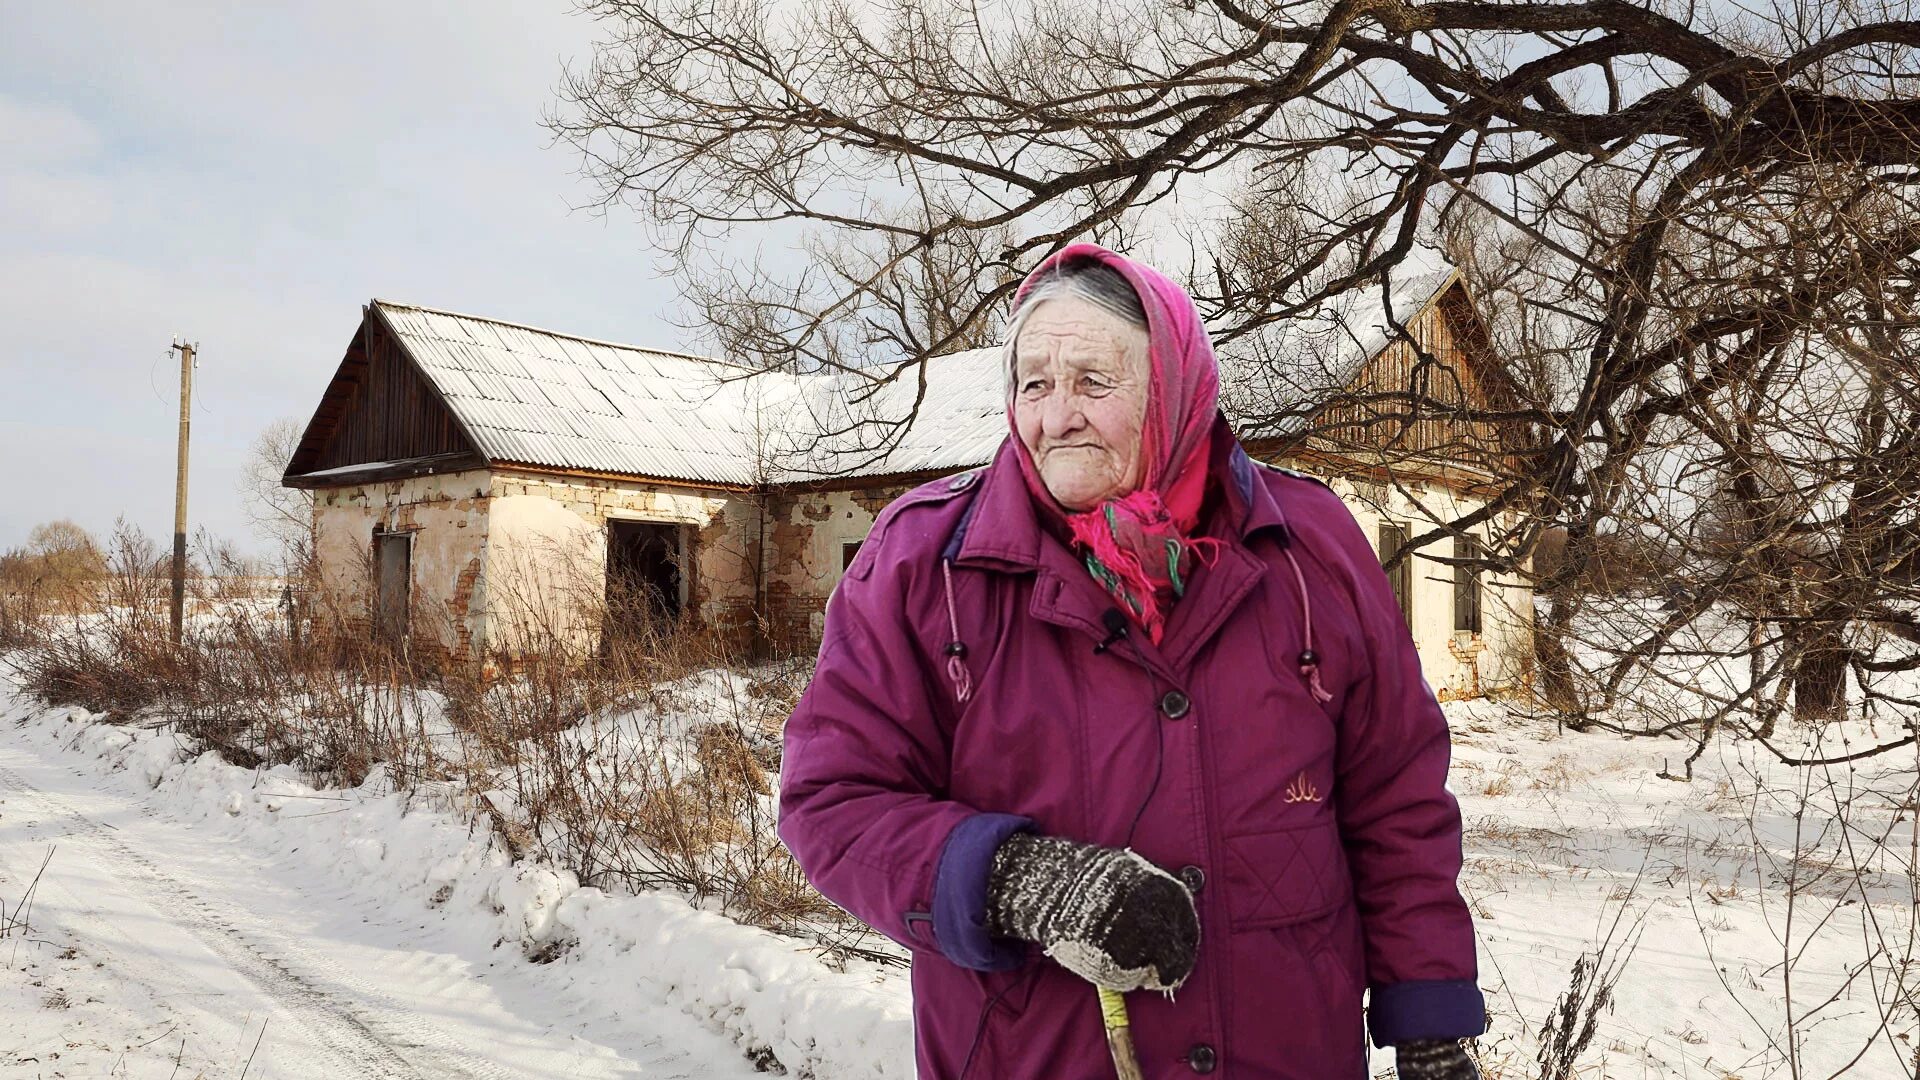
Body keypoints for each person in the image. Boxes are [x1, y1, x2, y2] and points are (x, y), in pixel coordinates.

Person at [778, 242, 1485, 1078]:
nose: (1056, 414)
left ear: (1173, 390)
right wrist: (1015, 879)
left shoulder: (1308, 546)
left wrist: (1429, 1022)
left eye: (1092, 381)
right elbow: (833, 799)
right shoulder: (924, 563)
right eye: (1033, 383)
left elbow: (1393, 795)